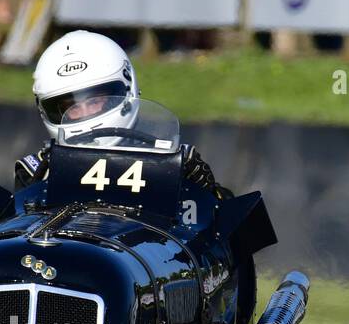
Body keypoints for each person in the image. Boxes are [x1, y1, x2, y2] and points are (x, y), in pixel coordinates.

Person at [15, 30, 231, 199]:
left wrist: (206, 191)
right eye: (68, 108)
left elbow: (229, 229)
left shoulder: (168, 163)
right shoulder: (37, 171)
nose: (83, 113)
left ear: (126, 89)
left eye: (95, 101)